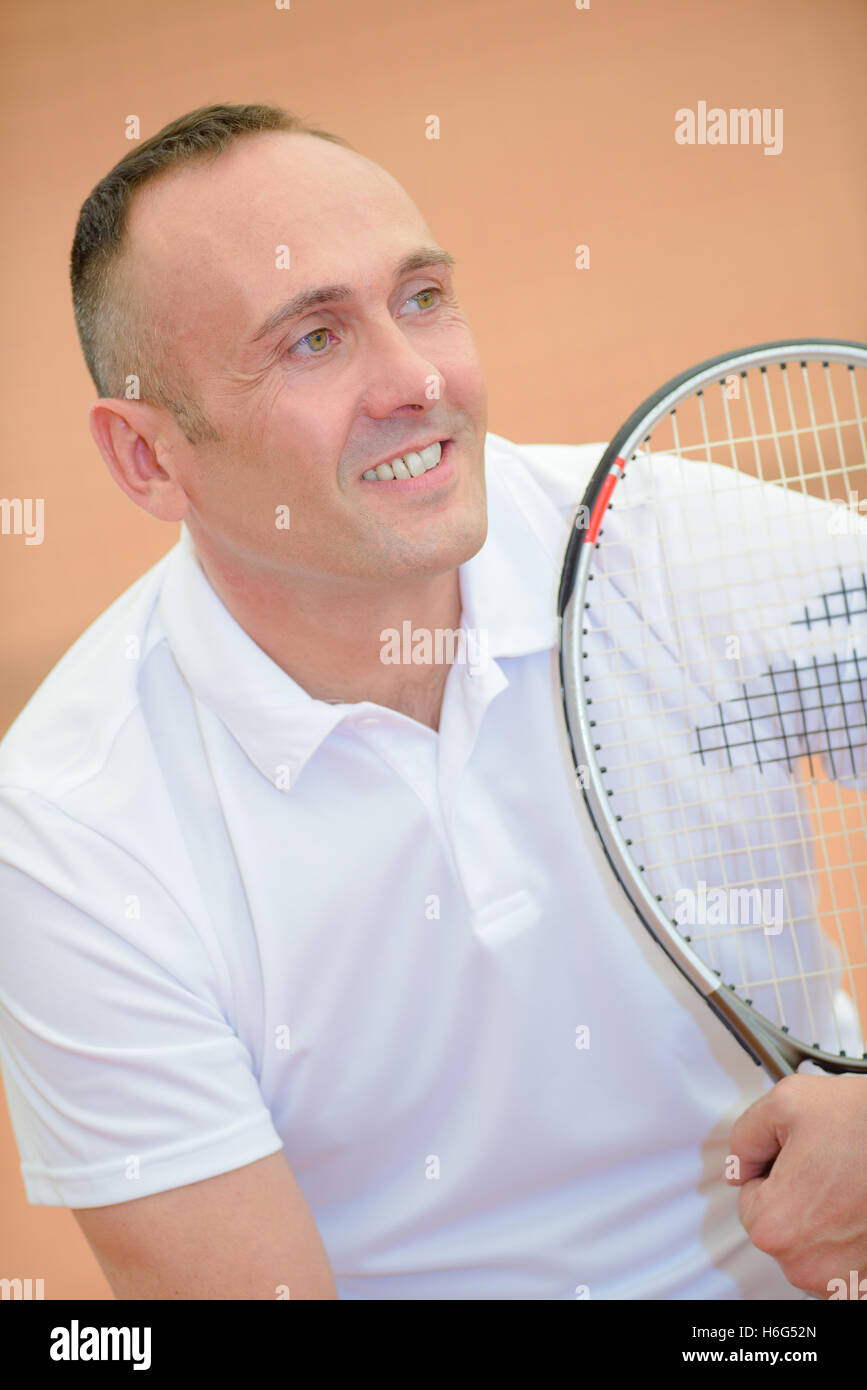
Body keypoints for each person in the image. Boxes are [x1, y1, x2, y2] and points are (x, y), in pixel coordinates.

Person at [0, 103, 864, 1301]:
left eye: (421, 298)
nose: (418, 381)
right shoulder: (69, 834)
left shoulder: (672, 549)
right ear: (150, 457)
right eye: (312, 340)